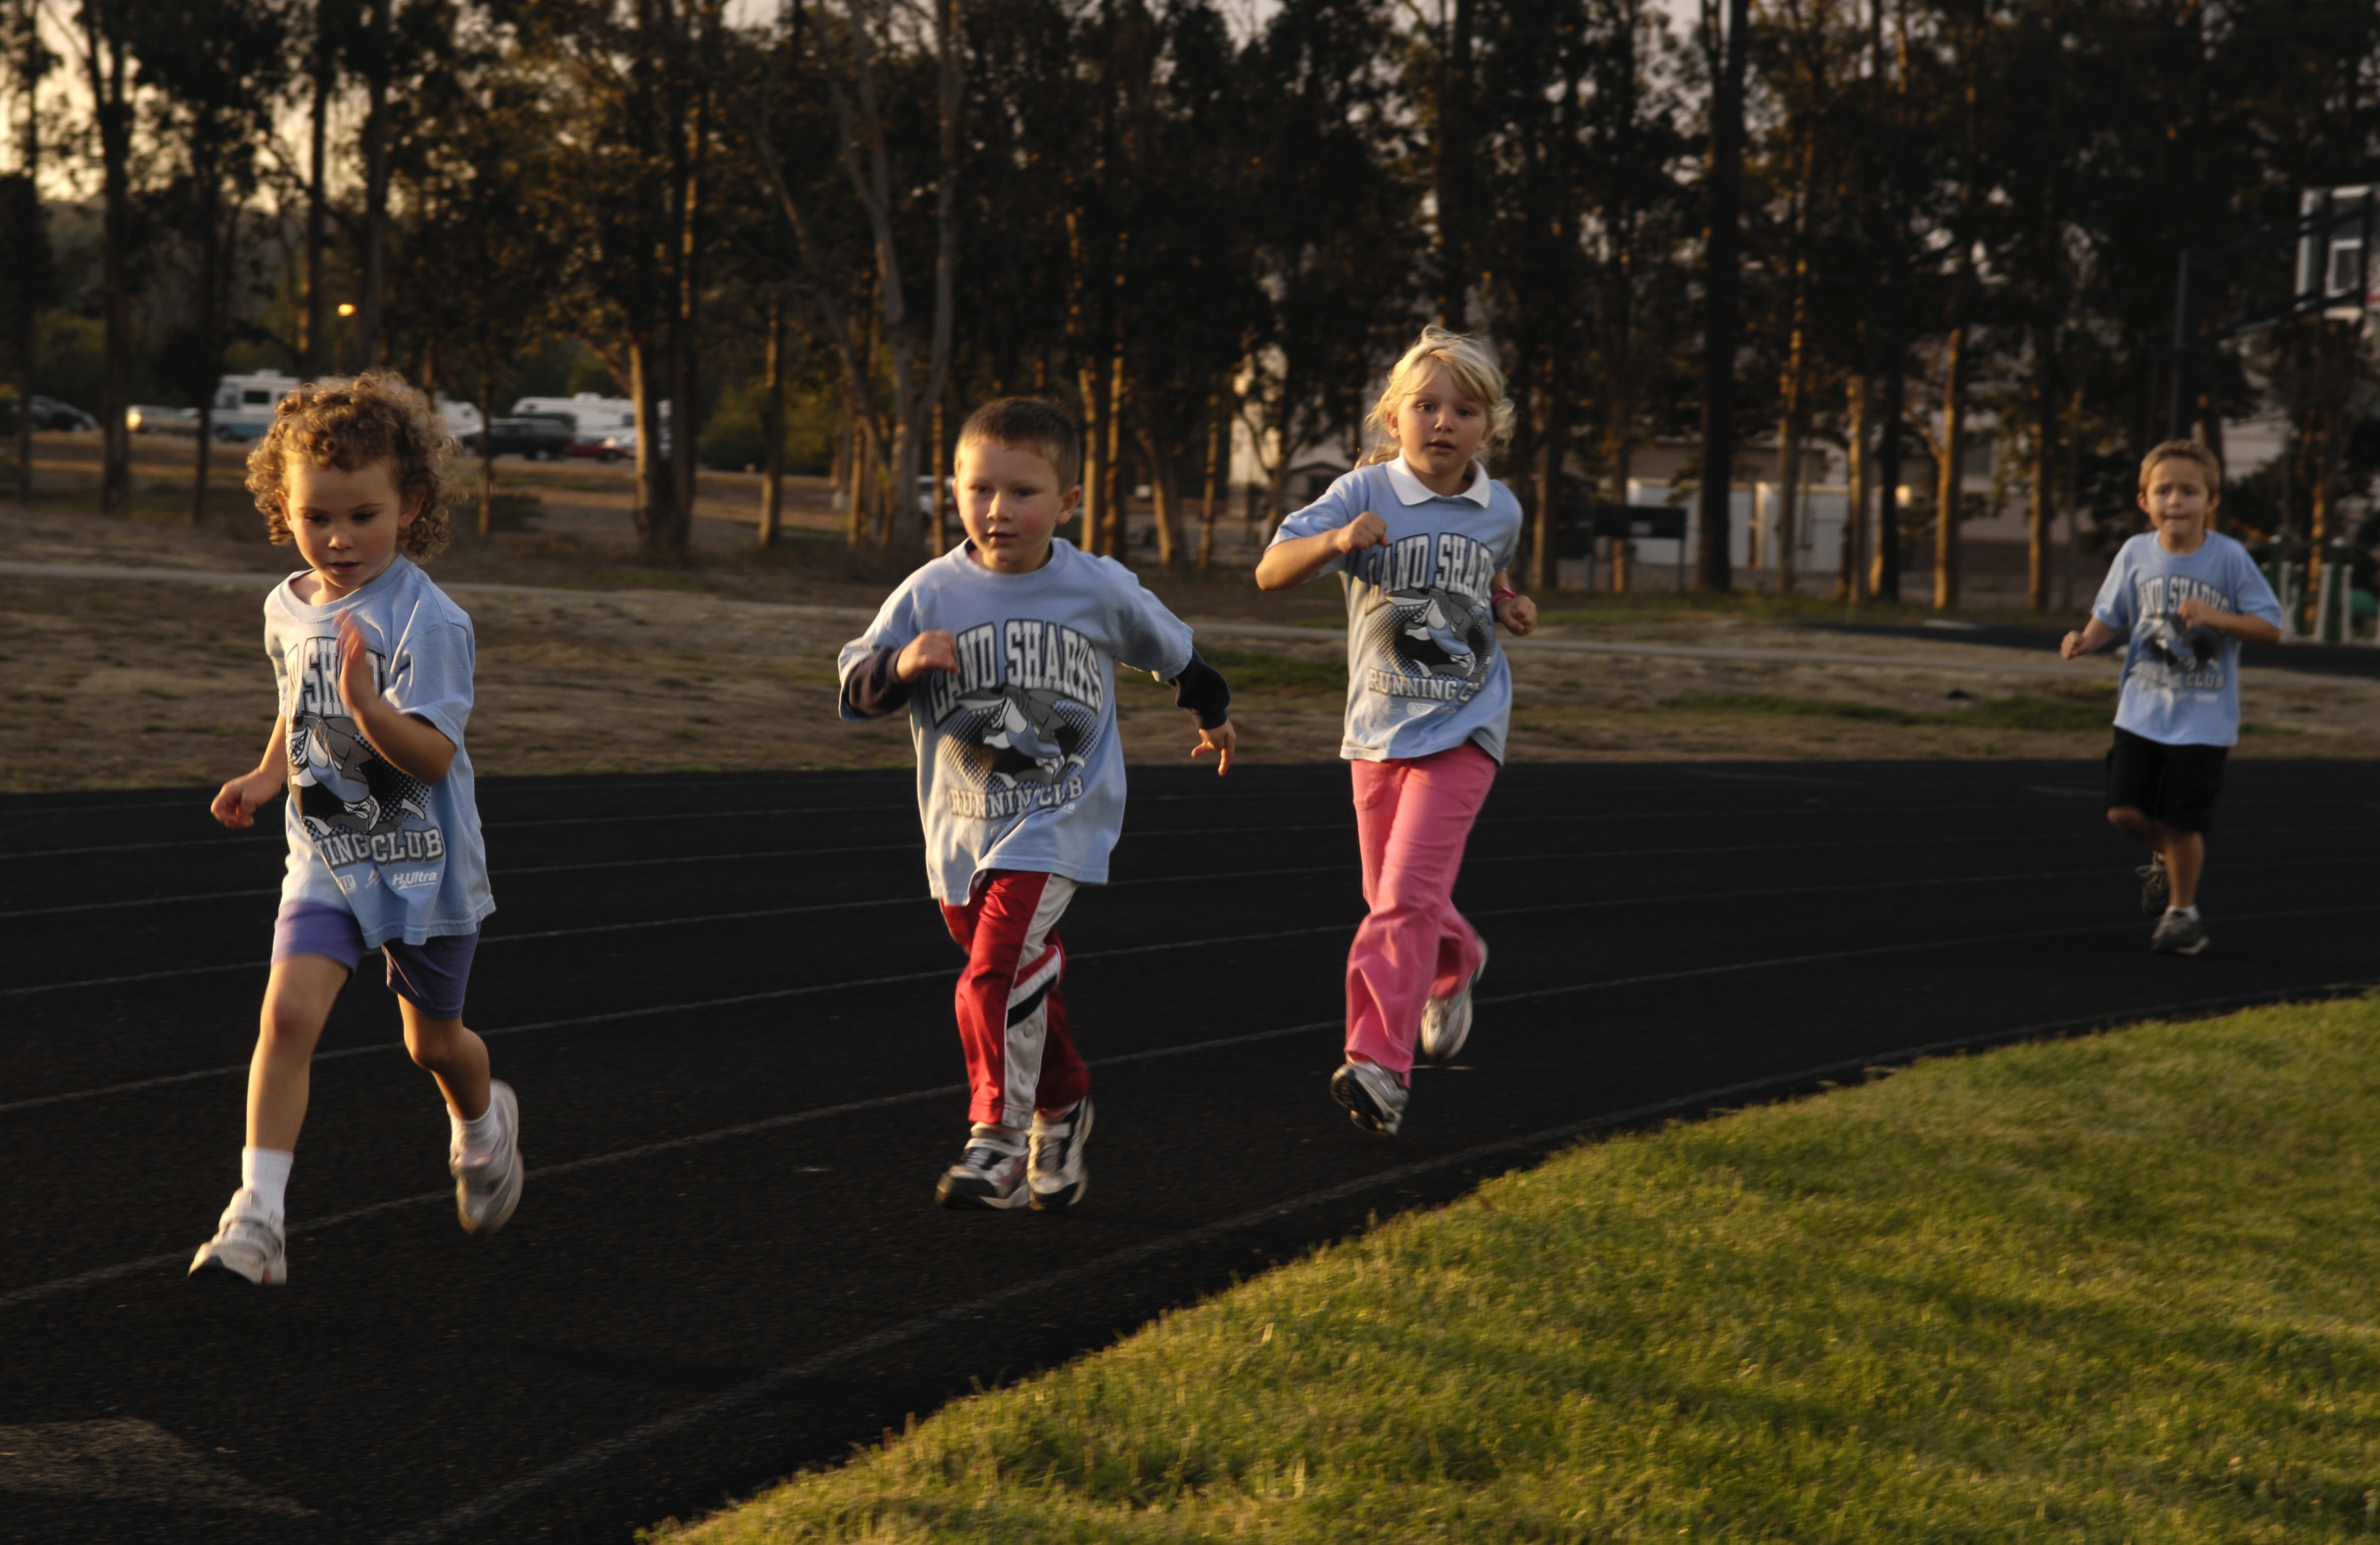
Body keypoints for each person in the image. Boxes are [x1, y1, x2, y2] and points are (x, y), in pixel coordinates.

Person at [838, 398, 1236, 1211]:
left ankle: (996, 1138)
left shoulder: (1096, 586)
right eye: (979, 489)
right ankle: (1063, 1103)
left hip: (1060, 815)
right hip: (961, 828)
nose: (997, 509)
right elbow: (853, 688)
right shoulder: (927, 592)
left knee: (992, 973)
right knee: (1010, 976)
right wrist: (902, 666)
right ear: (952, 489)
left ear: (1068, 501)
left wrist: (1212, 712)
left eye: (1022, 492)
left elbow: (1177, 654)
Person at [190, 372, 519, 1286]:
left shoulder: (430, 620)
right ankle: (256, 1218)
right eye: (316, 517)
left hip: (421, 864)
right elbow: (297, 702)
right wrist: (267, 774)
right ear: (283, 508)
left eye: (363, 516)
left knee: (432, 1045)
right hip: (327, 855)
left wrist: (370, 706)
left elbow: (433, 758)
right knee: (287, 1015)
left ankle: (482, 1124)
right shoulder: (286, 606)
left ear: (410, 505)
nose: (338, 538)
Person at [1255, 326, 1537, 1137]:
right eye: (1426, 406)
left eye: (1465, 410)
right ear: (1393, 418)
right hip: (1378, 731)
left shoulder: (1501, 507)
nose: (1443, 422)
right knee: (1391, 898)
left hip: (1467, 724)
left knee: (1403, 898)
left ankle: (1378, 1065)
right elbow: (1269, 572)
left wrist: (1506, 601)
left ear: (1487, 428)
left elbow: (1485, 570)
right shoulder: (1360, 492)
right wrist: (1336, 541)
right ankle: (1456, 957)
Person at [2060, 438, 2281, 956]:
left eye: (2189, 490)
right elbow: (2111, 614)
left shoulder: (2229, 558)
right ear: (2145, 501)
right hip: (2141, 712)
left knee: (2184, 821)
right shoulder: (2135, 553)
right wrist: (2086, 640)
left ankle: (2183, 915)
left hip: (2203, 719)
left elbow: (2269, 627)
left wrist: (2215, 616)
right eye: (2164, 491)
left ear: (2212, 500)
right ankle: (2172, 857)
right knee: (2123, 812)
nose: (2176, 500)